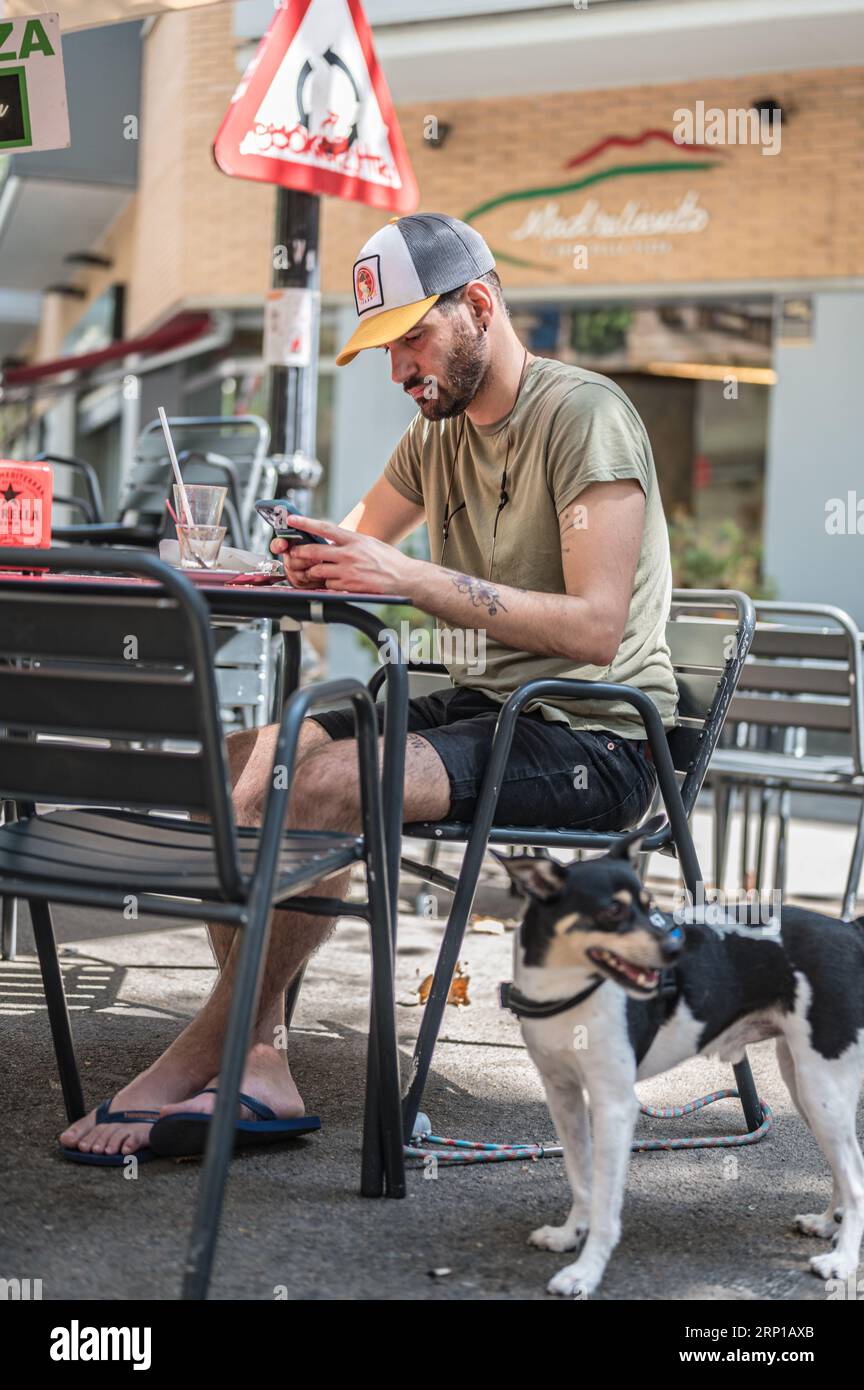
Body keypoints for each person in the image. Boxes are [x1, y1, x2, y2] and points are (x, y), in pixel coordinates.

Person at [60, 213, 677, 1160]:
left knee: (323, 784)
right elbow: (358, 535)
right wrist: (295, 555)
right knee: (252, 760)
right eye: (385, 350)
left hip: (599, 736)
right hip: (484, 704)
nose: (399, 372)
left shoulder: (582, 414)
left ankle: (203, 1049)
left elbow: (595, 629)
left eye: (410, 341)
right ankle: (262, 1057)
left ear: (478, 304)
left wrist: (406, 578)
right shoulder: (436, 435)